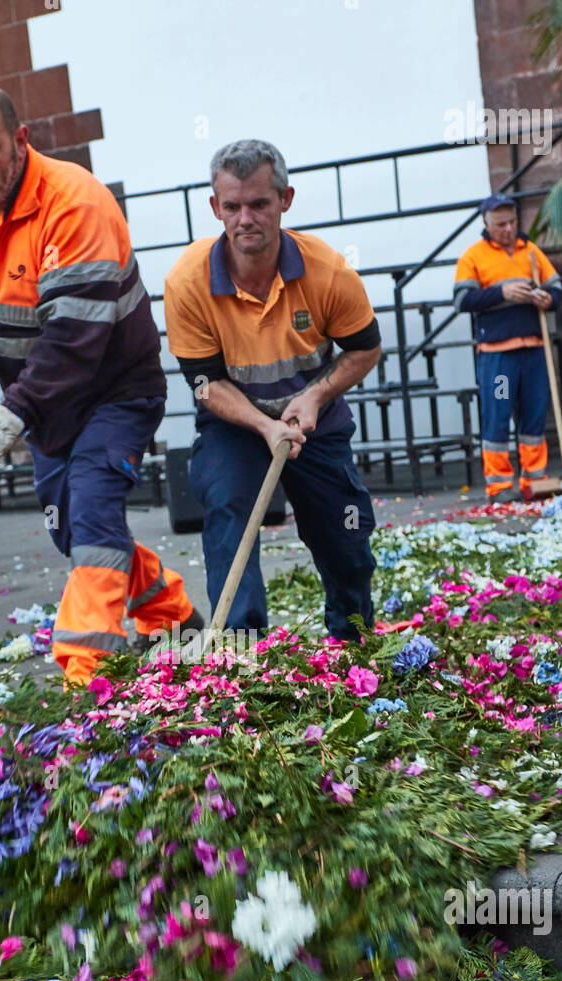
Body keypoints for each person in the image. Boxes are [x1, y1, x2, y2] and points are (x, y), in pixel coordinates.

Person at [0, 83, 201, 684]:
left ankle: (87, 674)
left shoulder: (74, 202)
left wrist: (3, 424)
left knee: (94, 514)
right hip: (44, 404)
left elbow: (74, 340)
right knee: (69, 527)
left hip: (114, 388)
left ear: (21, 141)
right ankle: (175, 619)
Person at [163, 139, 381, 641]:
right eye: (233, 206)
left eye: (259, 203)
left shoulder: (329, 271)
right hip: (234, 424)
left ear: (286, 198)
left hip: (315, 420)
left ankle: (354, 640)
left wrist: (315, 397)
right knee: (227, 509)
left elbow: (365, 350)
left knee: (344, 530)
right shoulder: (186, 282)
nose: (246, 219)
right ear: (215, 207)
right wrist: (263, 425)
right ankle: (241, 654)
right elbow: (203, 383)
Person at [454, 193, 562, 501]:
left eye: (512, 221)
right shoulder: (472, 256)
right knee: (498, 415)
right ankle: (499, 486)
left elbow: (557, 289)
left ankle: (534, 481)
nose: (508, 228)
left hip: (532, 349)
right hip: (497, 355)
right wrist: (502, 293)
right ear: (486, 223)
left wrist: (548, 299)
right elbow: (462, 300)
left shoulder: (531, 251)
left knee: (534, 415)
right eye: (501, 223)